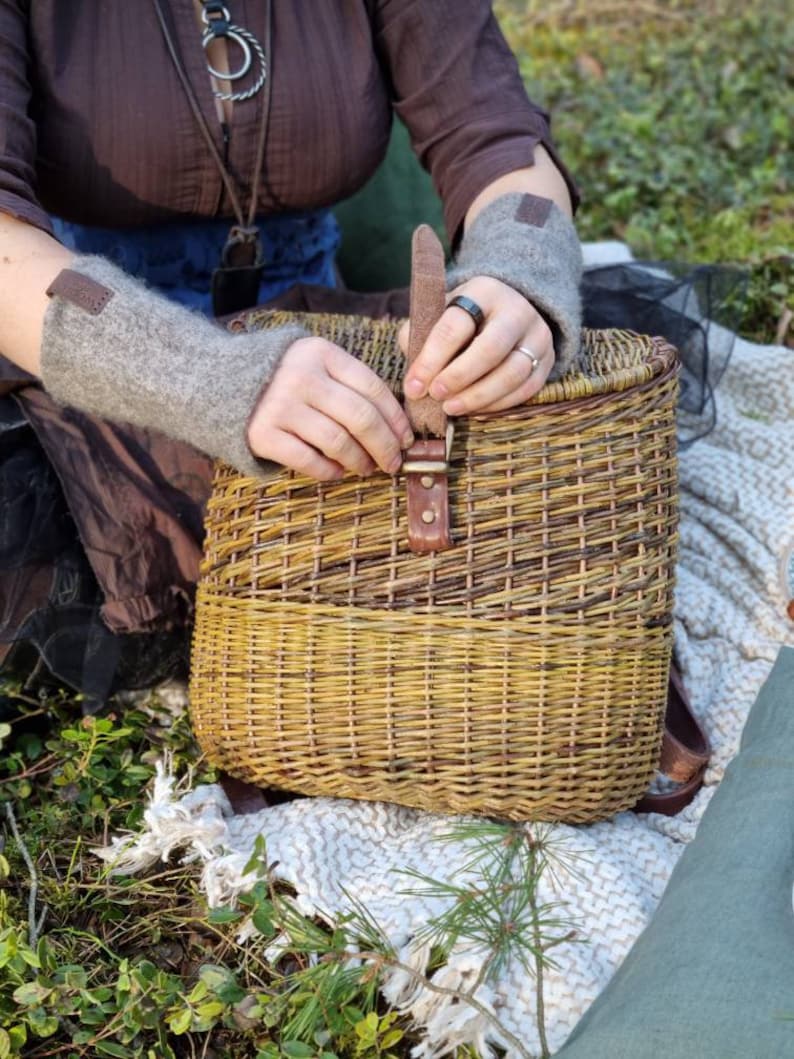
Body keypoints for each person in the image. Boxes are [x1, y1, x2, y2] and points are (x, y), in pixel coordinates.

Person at [0, 0, 581, 700]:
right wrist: (207, 375)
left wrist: (518, 271)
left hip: (319, 330)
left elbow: (503, 143)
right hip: (94, 360)